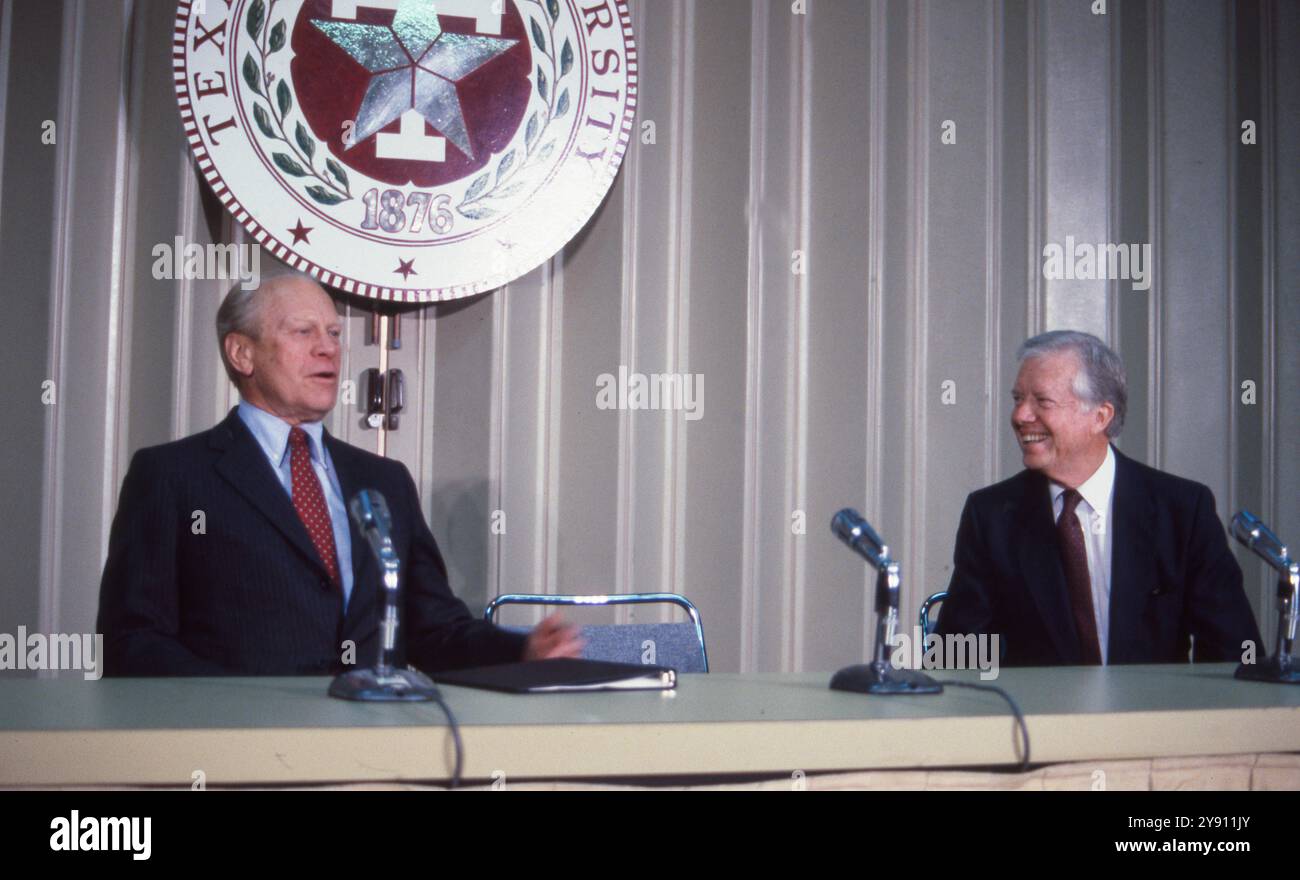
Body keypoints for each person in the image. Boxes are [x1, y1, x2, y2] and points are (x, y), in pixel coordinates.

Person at [97, 269, 583, 675]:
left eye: (333, 333)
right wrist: (246, 707)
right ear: (241, 353)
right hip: (239, 758)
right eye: (302, 332)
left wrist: (520, 651)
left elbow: (433, 630)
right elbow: (134, 642)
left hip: (369, 752)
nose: (328, 349)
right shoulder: (171, 476)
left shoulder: (385, 481)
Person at [936, 330, 1261, 666]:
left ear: (1100, 416)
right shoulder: (991, 516)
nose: (1020, 416)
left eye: (1042, 401)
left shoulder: (1182, 510)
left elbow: (1235, 654)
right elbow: (955, 659)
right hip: (1037, 717)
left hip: (1153, 716)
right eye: (1018, 399)